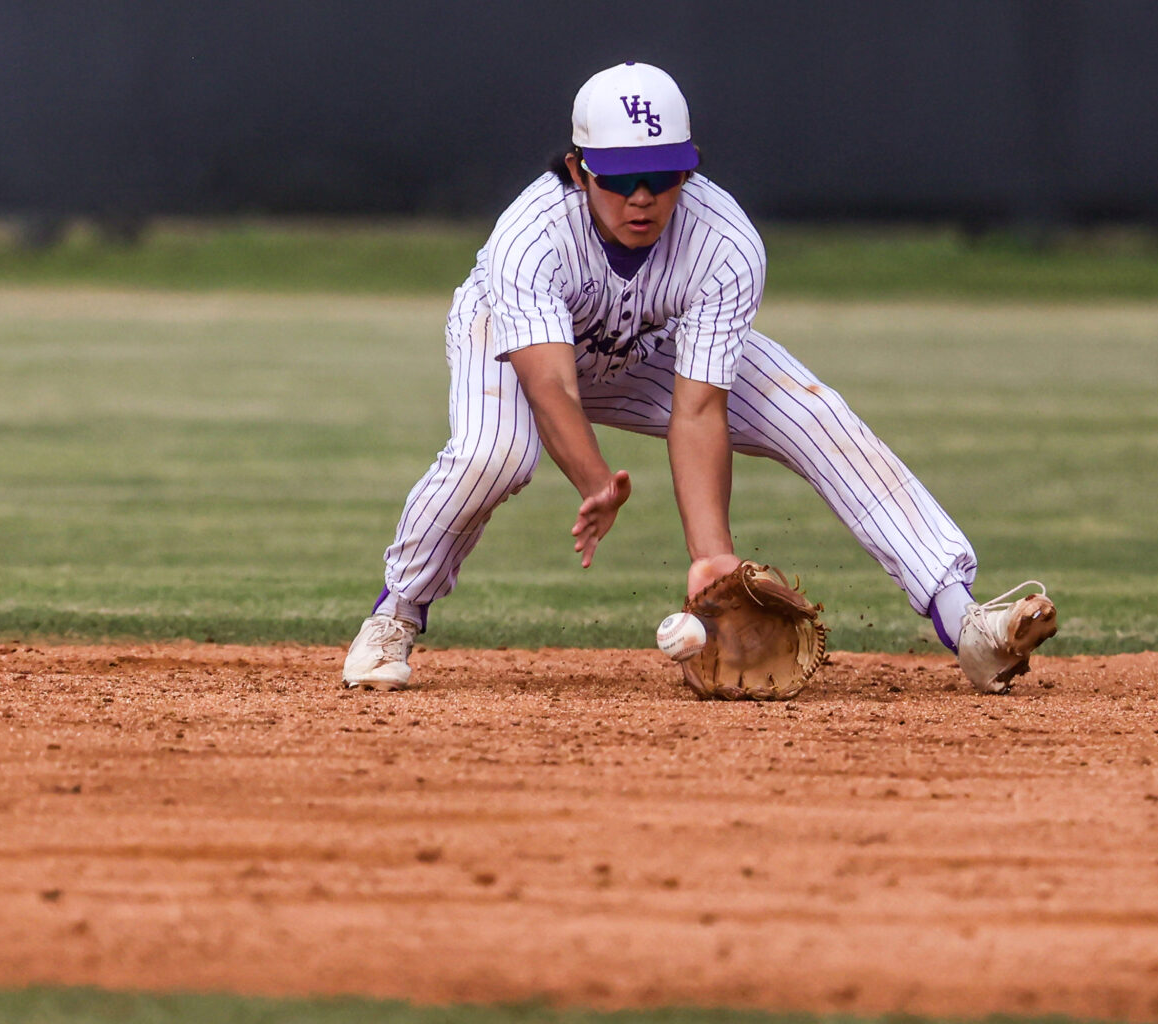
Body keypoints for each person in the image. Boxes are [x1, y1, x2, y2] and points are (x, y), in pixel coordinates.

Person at [342, 61, 1056, 694]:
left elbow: (698, 409)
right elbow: (551, 385)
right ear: (579, 170)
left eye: (663, 175)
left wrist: (711, 558)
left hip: (647, 349)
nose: (642, 197)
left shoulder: (725, 243)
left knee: (815, 414)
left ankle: (964, 621)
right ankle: (395, 614)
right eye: (620, 178)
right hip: (510, 339)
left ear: (689, 170)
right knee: (494, 454)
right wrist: (595, 480)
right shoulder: (531, 238)